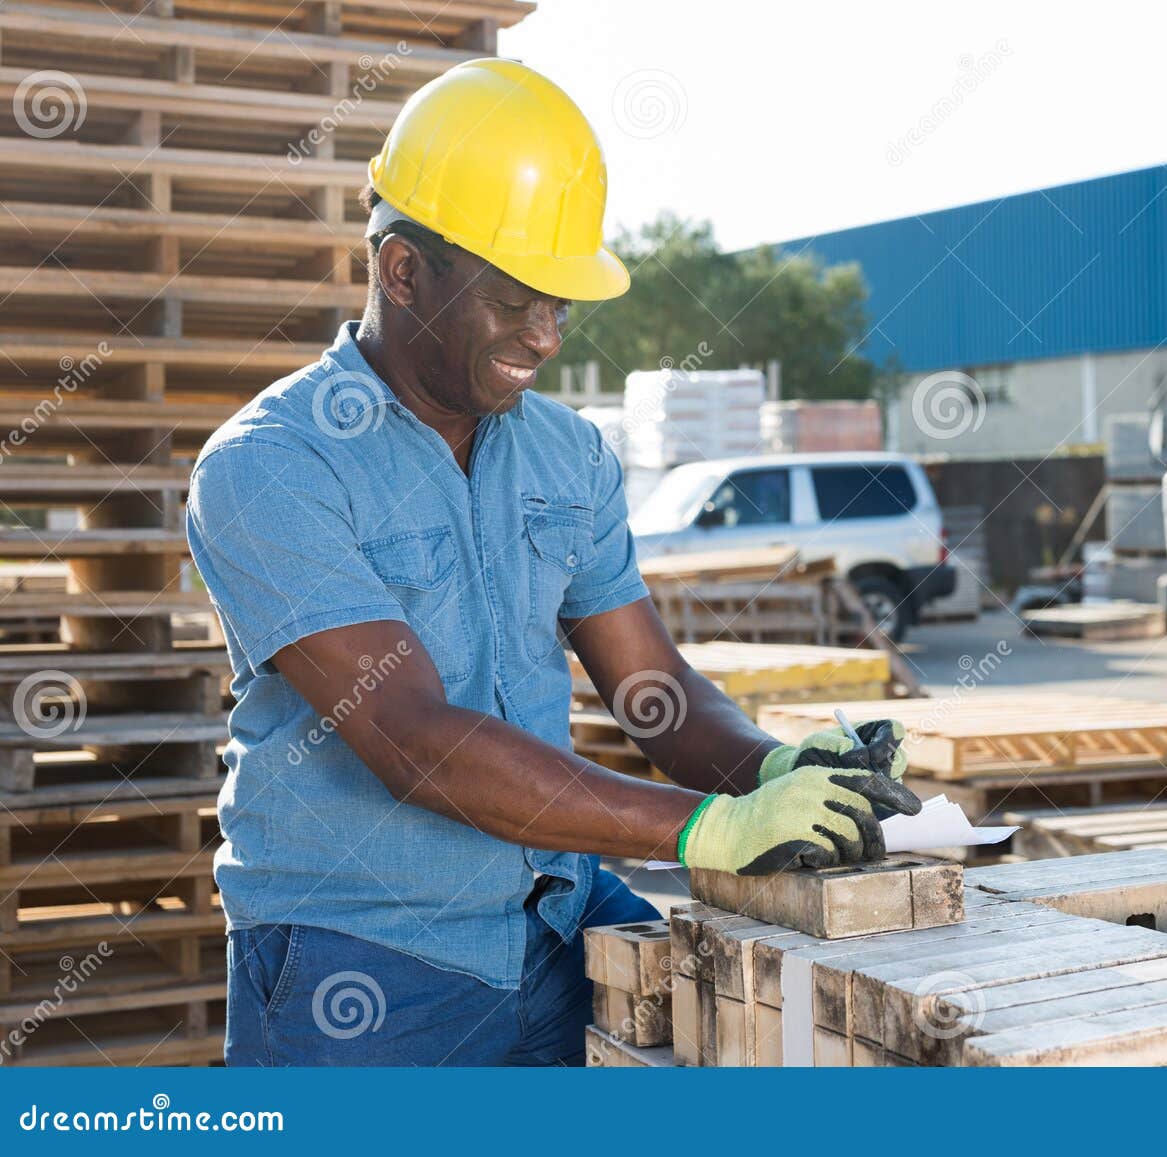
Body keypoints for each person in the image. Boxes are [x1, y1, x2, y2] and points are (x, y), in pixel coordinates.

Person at [185, 59, 916, 1067]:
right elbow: (415, 739)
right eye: (517, 299)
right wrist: (707, 827)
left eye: (564, 305)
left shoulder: (563, 452)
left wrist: (776, 768)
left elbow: (650, 685)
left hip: (555, 920)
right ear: (402, 271)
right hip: (364, 960)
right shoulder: (273, 466)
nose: (546, 335)